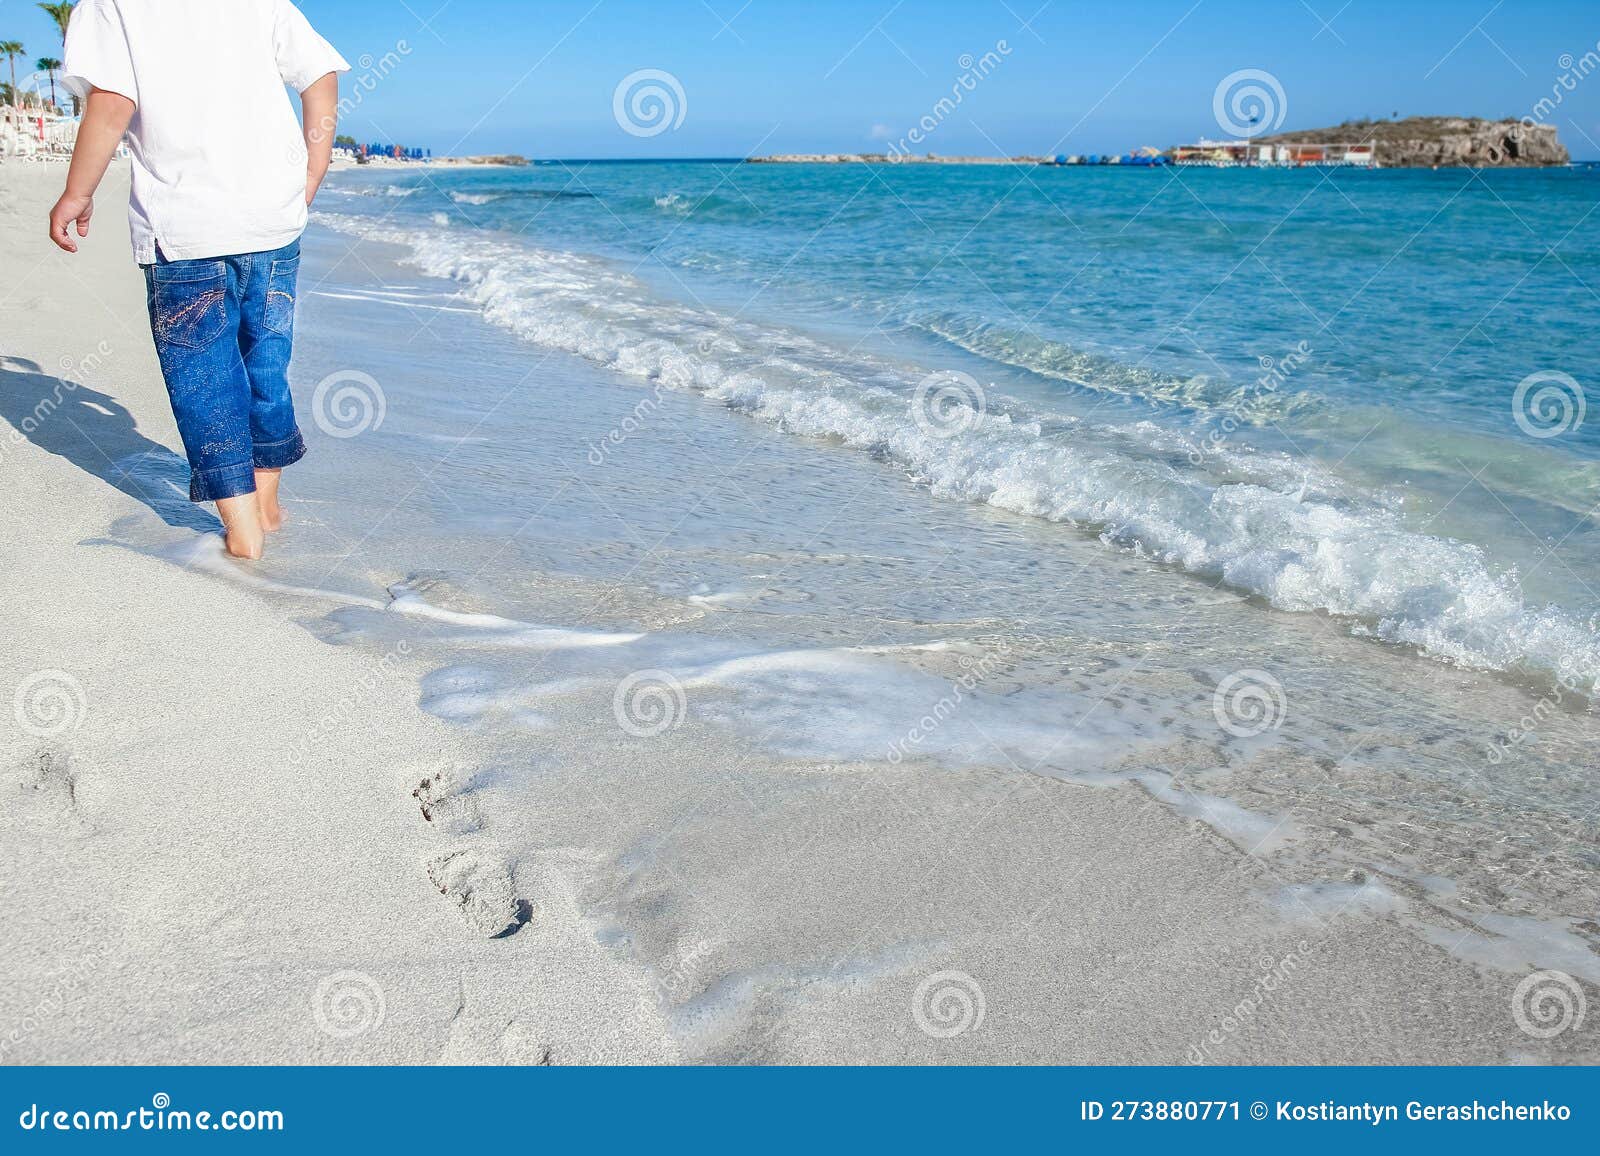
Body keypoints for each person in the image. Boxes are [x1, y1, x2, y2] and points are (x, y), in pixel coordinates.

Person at [49, 0, 348, 559]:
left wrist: (77, 192)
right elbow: (319, 76)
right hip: (272, 217)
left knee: (206, 380)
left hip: (184, 226)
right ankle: (267, 505)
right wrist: (313, 167)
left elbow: (113, 103)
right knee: (266, 362)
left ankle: (243, 531)